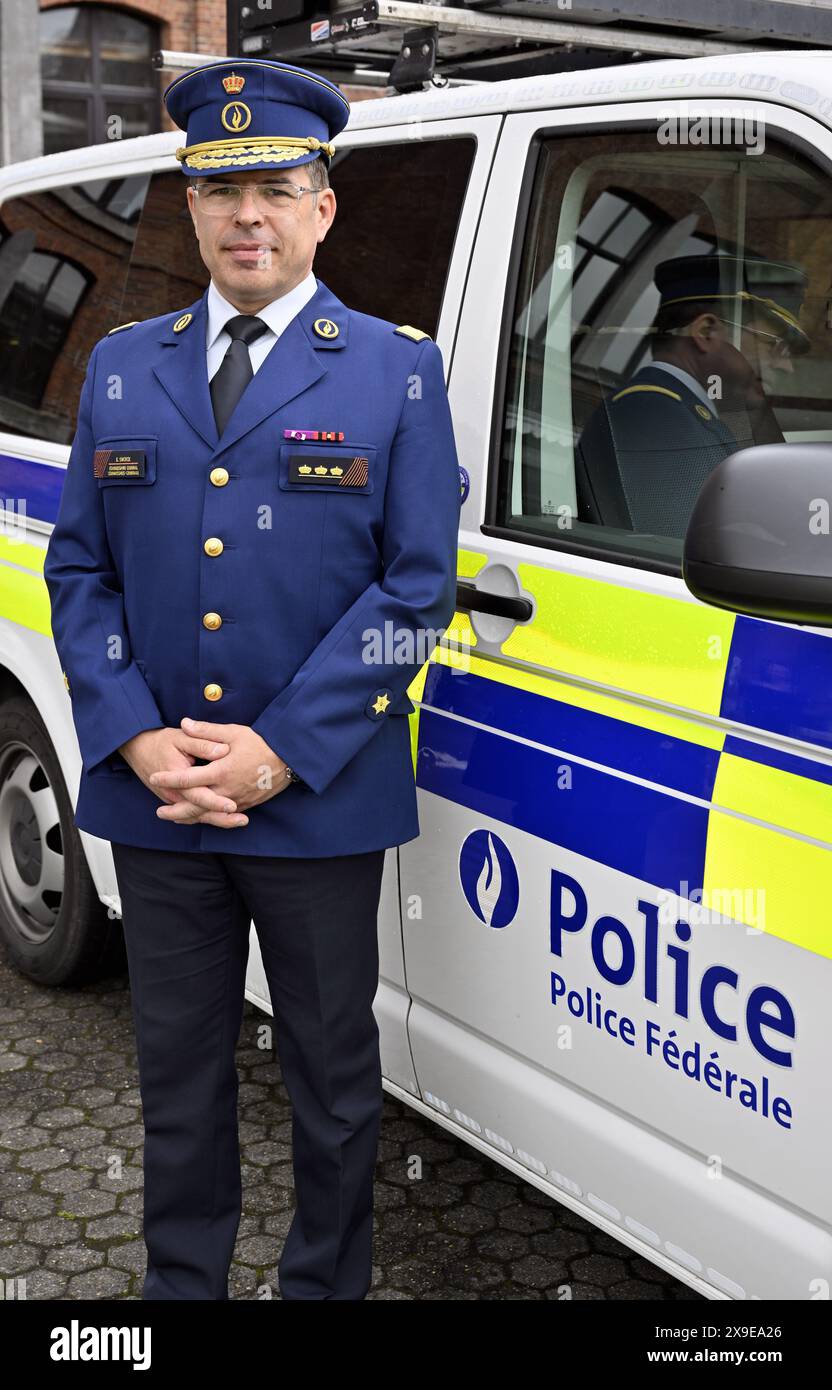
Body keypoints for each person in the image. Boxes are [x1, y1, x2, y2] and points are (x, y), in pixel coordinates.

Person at [43, 56, 461, 1301]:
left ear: (322, 206)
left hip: (317, 803)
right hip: (158, 803)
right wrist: (133, 737)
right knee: (177, 1076)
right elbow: (79, 573)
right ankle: (182, 1293)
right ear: (188, 205)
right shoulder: (124, 365)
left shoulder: (394, 370)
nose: (247, 216)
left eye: (276, 187)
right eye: (221, 190)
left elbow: (416, 594)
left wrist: (280, 748)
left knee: (331, 1082)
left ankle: (322, 1289)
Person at [576, 253, 810, 536]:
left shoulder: (686, 410)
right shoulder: (656, 417)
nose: (787, 366)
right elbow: (694, 556)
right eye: (776, 346)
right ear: (706, 331)